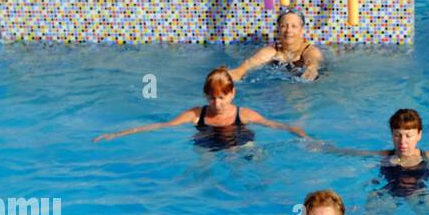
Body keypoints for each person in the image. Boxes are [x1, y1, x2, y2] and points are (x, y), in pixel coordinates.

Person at [92, 67, 308, 145]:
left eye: (222, 97)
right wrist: (119, 133)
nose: (217, 103)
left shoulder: (244, 114)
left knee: (248, 160)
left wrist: (296, 131)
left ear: (232, 93)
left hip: (239, 140)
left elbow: (271, 124)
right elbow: (163, 126)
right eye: (212, 98)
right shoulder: (197, 114)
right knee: (201, 170)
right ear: (206, 96)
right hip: (207, 140)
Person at [228, 7, 324, 82]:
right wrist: (239, 71)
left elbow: (313, 61)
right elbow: (251, 63)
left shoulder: (309, 50)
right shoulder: (273, 51)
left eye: (294, 26)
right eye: (283, 26)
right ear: (278, 30)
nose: (288, 30)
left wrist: (312, 68)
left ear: (301, 30)